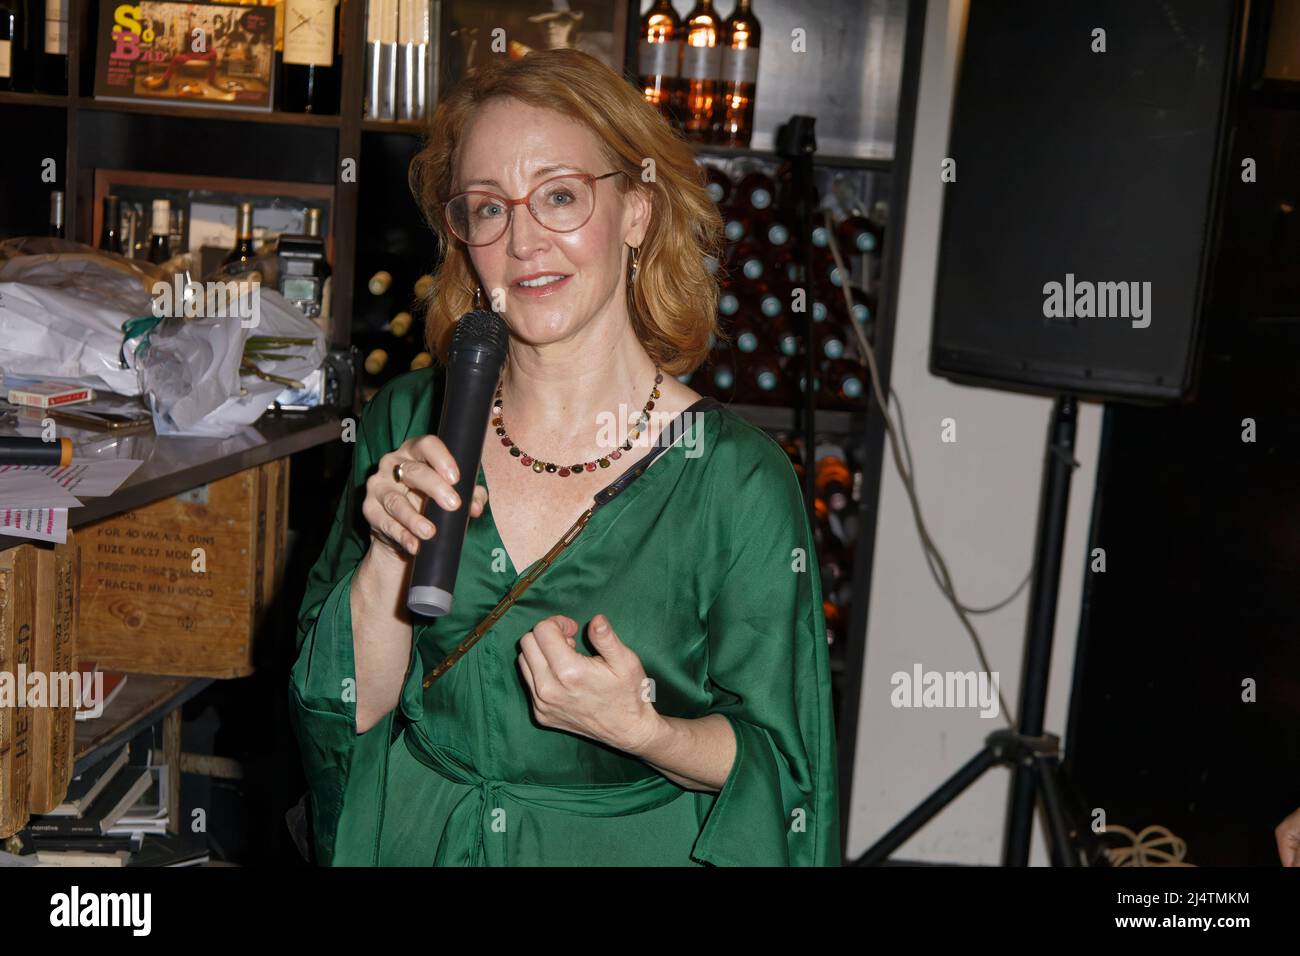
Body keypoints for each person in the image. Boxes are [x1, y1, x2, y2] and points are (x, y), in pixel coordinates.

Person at [288, 47, 840, 866]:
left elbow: (788, 769)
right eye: (486, 208)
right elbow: (347, 713)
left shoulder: (738, 479)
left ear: (639, 212)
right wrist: (385, 560)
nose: (522, 241)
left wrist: (646, 731)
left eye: (559, 196)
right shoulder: (410, 419)